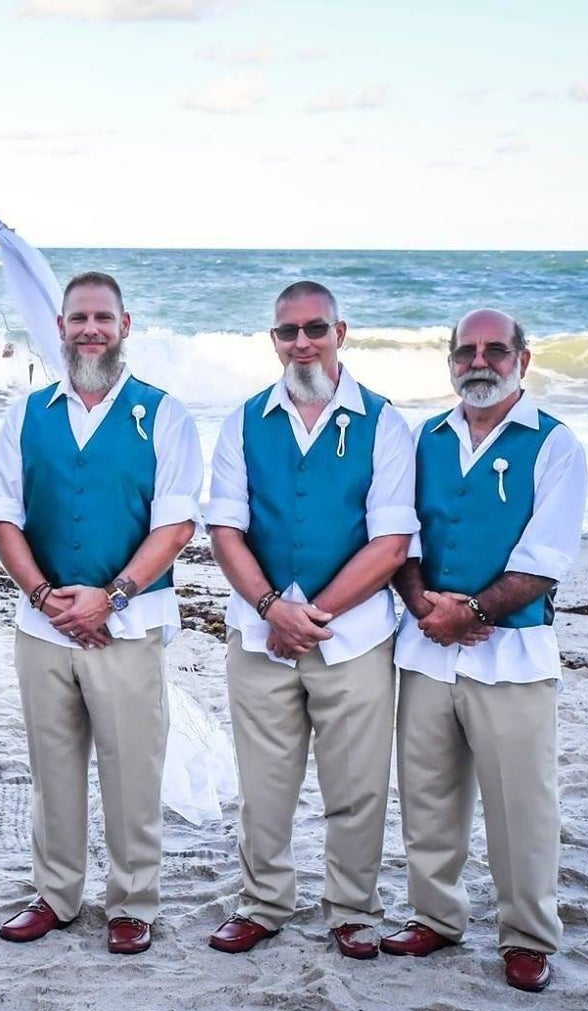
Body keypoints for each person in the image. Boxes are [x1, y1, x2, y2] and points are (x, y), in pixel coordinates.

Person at [0, 273, 204, 956]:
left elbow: (176, 525)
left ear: (124, 325)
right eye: (78, 318)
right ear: (60, 327)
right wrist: (43, 595)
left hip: (127, 627)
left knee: (132, 768)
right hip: (41, 626)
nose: (90, 330)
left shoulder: (163, 414)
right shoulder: (28, 413)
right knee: (51, 768)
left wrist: (112, 596)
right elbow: (3, 517)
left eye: (102, 318)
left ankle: (132, 902)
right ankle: (55, 894)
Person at [203, 280, 418, 960]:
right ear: (274, 340)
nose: (302, 343)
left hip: (353, 639)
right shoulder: (243, 422)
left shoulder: (385, 424)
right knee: (263, 784)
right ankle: (262, 902)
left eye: (315, 329)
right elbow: (225, 530)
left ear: (340, 334)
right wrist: (272, 608)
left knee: (357, 786)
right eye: (288, 331)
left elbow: (391, 543)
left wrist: (312, 615)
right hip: (259, 635)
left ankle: (352, 909)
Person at [384, 309, 587, 993]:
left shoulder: (555, 444)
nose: (480, 362)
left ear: (522, 361)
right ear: (449, 361)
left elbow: (547, 555)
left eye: (495, 350)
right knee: (427, 797)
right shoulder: (424, 438)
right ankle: (435, 917)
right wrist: (425, 608)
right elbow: (400, 535)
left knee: (522, 805)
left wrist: (471, 611)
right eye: (466, 351)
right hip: (425, 650)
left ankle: (527, 937)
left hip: (513, 654)